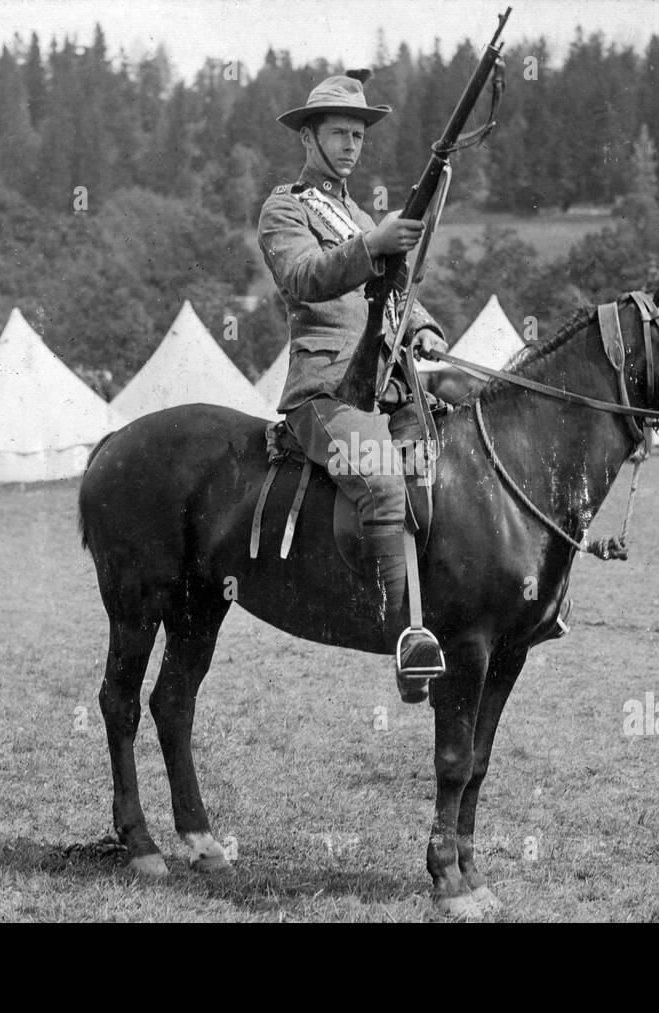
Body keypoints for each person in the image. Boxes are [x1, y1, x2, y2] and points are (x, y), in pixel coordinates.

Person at [258, 70, 449, 700]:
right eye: (339, 132)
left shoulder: (357, 213)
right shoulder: (284, 208)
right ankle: (404, 635)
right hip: (324, 394)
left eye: (358, 135)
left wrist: (421, 327)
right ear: (308, 136)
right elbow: (303, 277)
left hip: (386, 386)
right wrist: (371, 242)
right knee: (381, 471)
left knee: (448, 459)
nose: (351, 145)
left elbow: (393, 291)